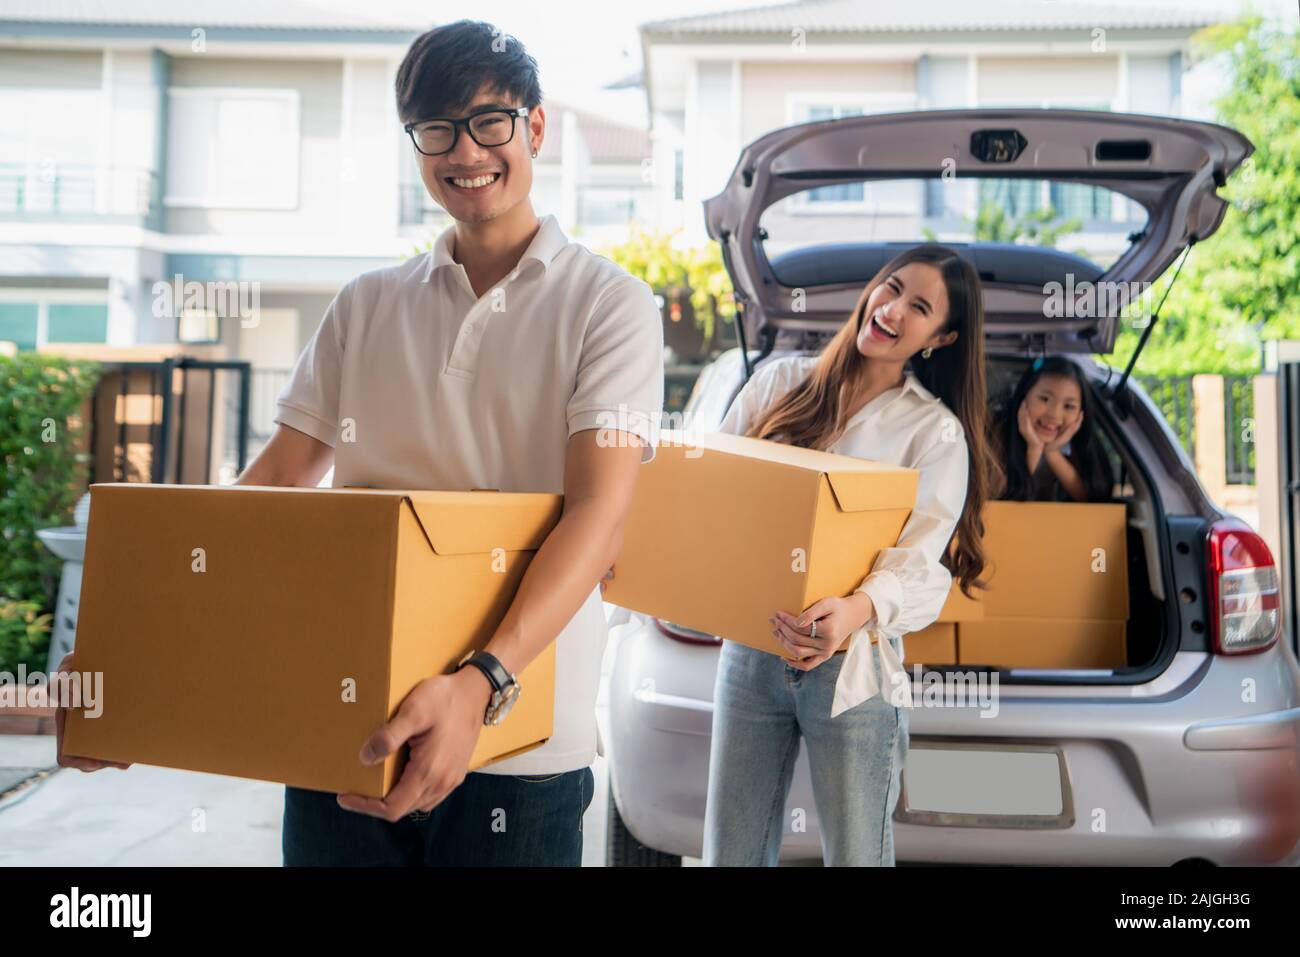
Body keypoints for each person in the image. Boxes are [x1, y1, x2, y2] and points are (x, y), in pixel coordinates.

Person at [55, 19, 664, 868]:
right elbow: (272, 486)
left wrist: (480, 681)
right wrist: (139, 646)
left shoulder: (611, 304)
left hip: (516, 749)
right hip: (346, 723)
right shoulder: (366, 304)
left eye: (489, 121)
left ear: (534, 127)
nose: (466, 150)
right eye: (436, 130)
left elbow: (598, 515)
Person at [701, 244, 999, 866]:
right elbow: (710, 491)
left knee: (857, 857)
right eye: (890, 288)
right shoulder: (781, 383)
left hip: (853, 670)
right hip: (751, 651)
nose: (890, 309)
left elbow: (920, 564)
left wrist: (856, 608)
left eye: (918, 307)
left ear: (940, 339)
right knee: (730, 853)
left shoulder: (933, 432)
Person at [992, 355, 1113, 503]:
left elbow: (1093, 500)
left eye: (1069, 406)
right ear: (1024, 396)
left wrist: (1052, 452)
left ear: (1080, 414)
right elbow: (999, 499)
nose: (1054, 415)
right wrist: (1034, 449)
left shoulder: (1081, 443)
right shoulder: (997, 432)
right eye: (1044, 399)